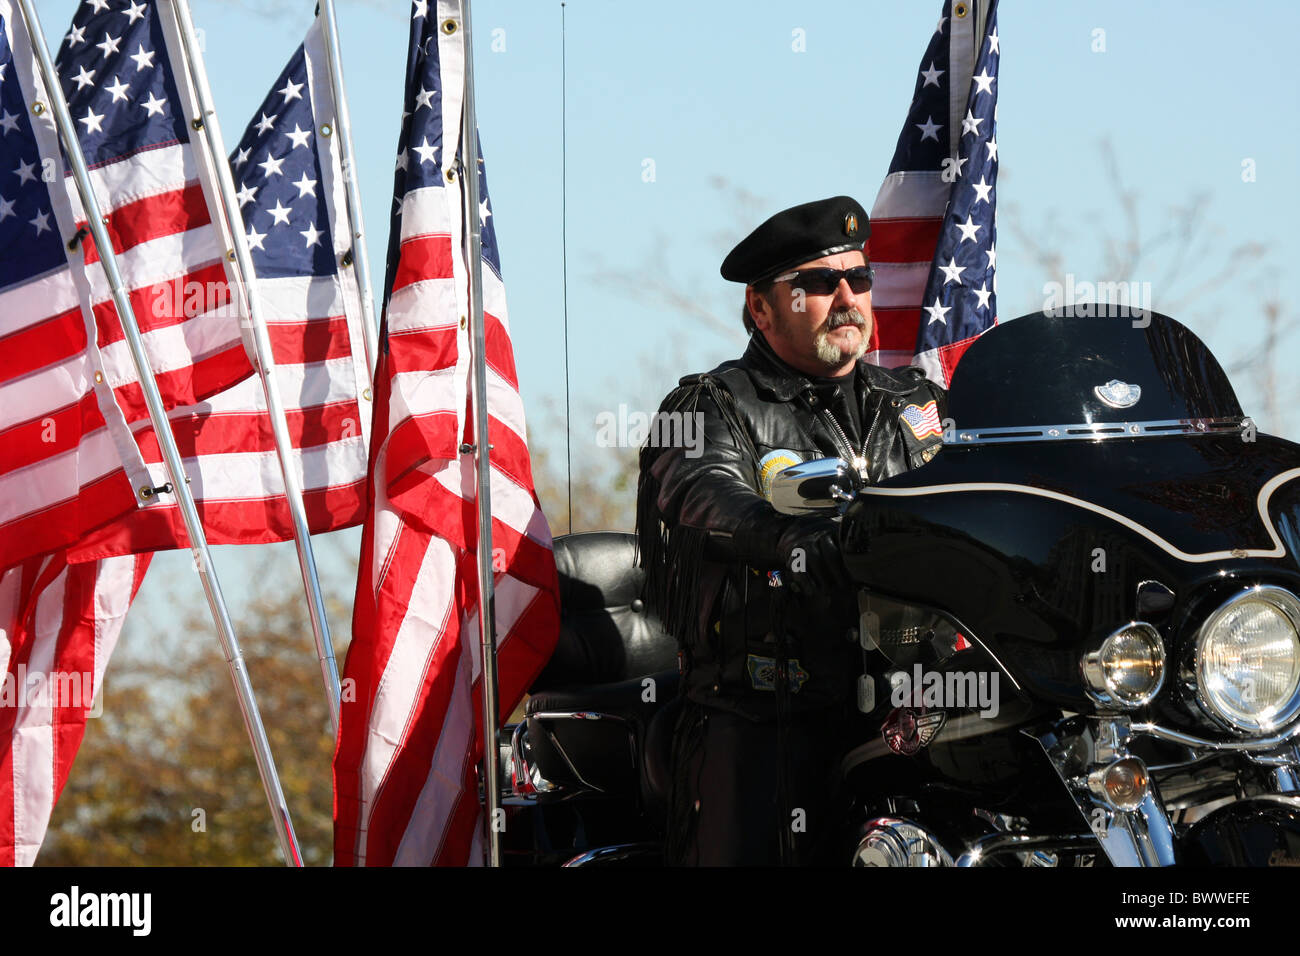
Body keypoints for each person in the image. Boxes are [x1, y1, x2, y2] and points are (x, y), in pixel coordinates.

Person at [636, 195, 947, 865]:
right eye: (814, 283)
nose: (846, 297)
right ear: (760, 307)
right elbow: (701, 493)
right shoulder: (709, 406)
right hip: (768, 709)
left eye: (858, 279)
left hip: (918, 699)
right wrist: (791, 536)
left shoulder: (918, 405)